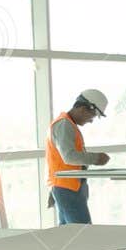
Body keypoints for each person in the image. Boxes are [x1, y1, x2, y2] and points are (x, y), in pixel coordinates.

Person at [46, 90, 109, 225]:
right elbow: (69, 156)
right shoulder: (64, 125)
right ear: (82, 109)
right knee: (83, 234)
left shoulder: (68, 124)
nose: (91, 121)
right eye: (92, 116)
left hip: (69, 186)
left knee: (68, 234)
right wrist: (96, 158)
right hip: (67, 187)